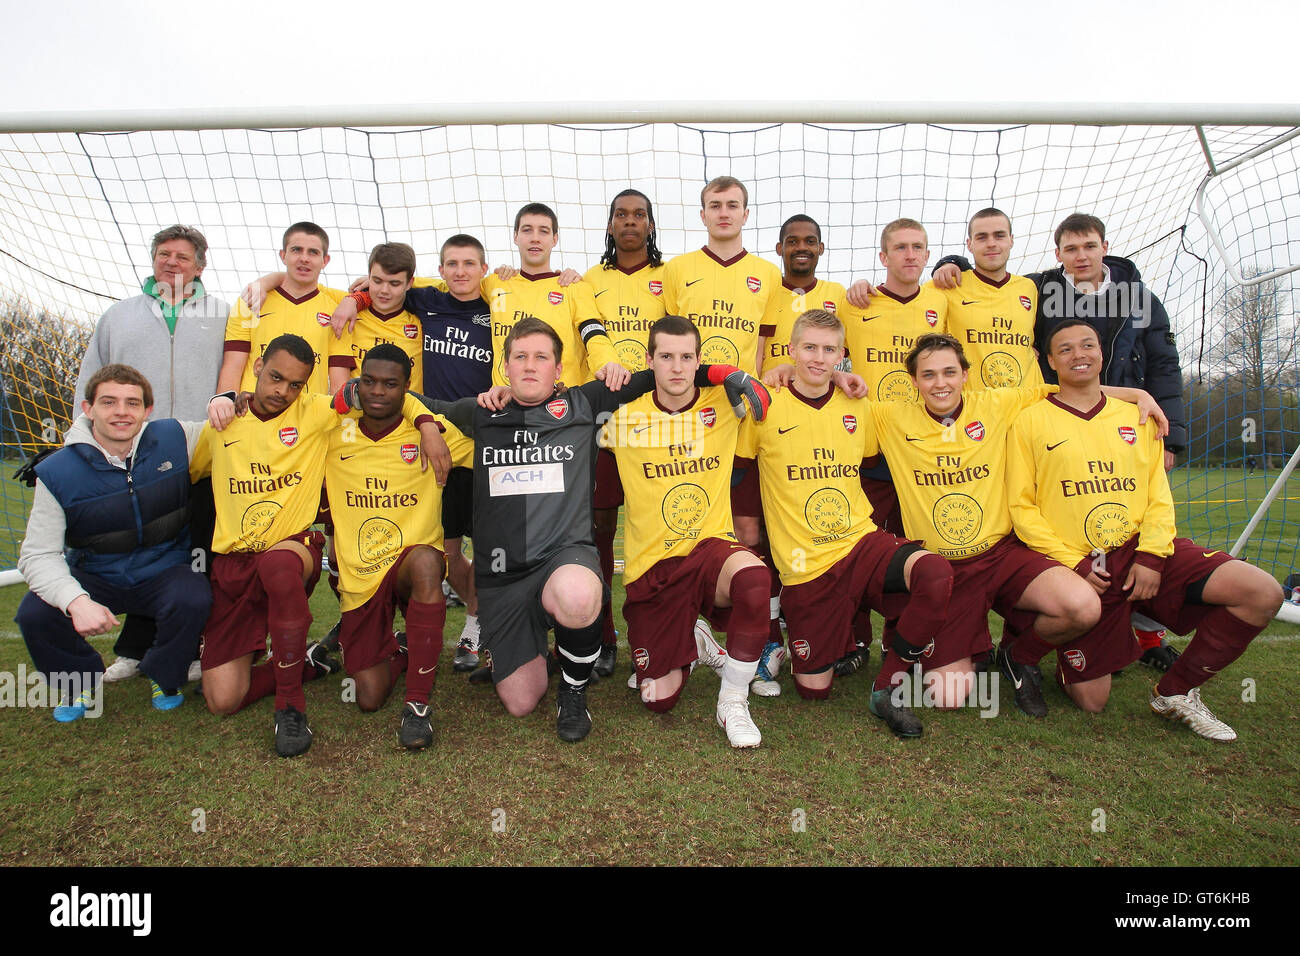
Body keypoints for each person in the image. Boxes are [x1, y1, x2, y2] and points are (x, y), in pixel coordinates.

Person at [420, 317, 767, 743]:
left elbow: (665, 372)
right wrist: (421, 421)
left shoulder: (585, 405)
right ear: (504, 368)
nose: (530, 366)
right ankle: (531, 648)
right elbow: (419, 398)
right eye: (520, 357)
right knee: (521, 701)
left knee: (580, 596)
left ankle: (574, 689)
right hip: (503, 575)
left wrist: (726, 372)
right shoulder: (480, 415)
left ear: (559, 369)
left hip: (565, 561)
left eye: (541, 357)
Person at [1006, 320, 1282, 739]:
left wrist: (1152, 556)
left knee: (1263, 593)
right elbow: (1021, 507)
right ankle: (1051, 642)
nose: (1078, 354)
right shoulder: (1028, 421)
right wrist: (1074, 564)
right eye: (1065, 349)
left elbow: (1158, 494)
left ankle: (1176, 691)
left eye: (1087, 345)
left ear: (1102, 354)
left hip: (1143, 549)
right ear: (1049, 361)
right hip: (1085, 564)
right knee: (1092, 702)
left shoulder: (1138, 416)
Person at [194, 333, 444, 757]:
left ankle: (290, 709)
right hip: (234, 563)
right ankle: (309, 664)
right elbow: (188, 474)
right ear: (256, 368)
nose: (282, 391)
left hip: (292, 549)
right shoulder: (222, 425)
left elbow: (379, 391)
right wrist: (223, 397)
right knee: (222, 700)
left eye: (295, 384)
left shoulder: (316, 414)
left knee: (278, 565)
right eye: (275, 378)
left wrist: (426, 423)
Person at [741, 312, 957, 736]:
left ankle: (887, 686)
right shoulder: (764, 406)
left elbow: (876, 472)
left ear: (842, 356)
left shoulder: (860, 407)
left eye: (828, 350)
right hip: (806, 567)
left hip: (859, 544)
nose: (818, 358)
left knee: (934, 572)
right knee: (814, 690)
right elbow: (743, 476)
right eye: (809, 348)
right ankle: (821, 635)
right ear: (791, 350)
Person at [605, 315, 774, 746]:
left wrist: (727, 374)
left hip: (708, 552)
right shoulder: (621, 419)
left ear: (699, 361)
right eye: (666, 357)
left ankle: (733, 701)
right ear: (649, 360)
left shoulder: (723, 405)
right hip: (651, 568)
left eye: (686, 358)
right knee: (656, 698)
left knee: (754, 577)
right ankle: (695, 641)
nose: (677, 368)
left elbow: (764, 400)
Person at [330, 234, 493, 671]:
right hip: (431, 432)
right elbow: (382, 288)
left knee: (498, 543)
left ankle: (492, 623)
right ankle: (455, 624)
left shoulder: (497, 302)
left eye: (469, 263)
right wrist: (354, 296)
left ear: (484, 268)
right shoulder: (424, 300)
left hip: (481, 430)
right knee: (447, 547)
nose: (460, 271)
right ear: (438, 271)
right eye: (451, 264)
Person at [75, 224, 228, 684]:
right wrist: (80, 439)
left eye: (182, 256)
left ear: (200, 265)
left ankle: (200, 646)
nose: (171, 262)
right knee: (145, 549)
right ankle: (135, 650)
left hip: (202, 452)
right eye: (164, 254)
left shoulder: (226, 315)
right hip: (132, 455)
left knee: (200, 550)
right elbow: (90, 382)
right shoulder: (119, 316)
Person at [15, 365, 212, 720]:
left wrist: (229, 401)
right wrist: (75, 601)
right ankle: (79, 681)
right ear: (88, 408)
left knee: (194, 595)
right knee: (34, 613)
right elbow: (38, 555)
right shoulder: (57, 471)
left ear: (148, 411)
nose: (121, 411)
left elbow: (241, 427)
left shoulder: (176, 437)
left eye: (132, 403)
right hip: (96, 572)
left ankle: (164, 674)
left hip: (164, 569)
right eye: (109, 402)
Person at [325, 344, 464, 750]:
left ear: (407, 387)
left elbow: (489, 446)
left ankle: (418, 705)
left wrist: (426, 422)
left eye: (390, 384)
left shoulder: (436, 433)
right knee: (367, 697)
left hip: (408, 566)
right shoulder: (334, 429)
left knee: (424, 562)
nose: (378, 392)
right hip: (361, 577)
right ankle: (403, 647)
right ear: (358, 382)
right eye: (369, 381)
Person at [584, 189, 668, 678]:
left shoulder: (670, 278)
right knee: (597, 532)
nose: (630, 222)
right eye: (622, 214)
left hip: (655, 422)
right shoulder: (587, 280)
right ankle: (601, 636)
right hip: (599, 422)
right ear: (610, 224)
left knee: (654, 530)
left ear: (651, 225)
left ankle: (658, 635)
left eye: (640, 215)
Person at [663, 176, 782, 377]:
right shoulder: (677, 268)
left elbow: (760, 348)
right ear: (703, 215)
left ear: (745, 215)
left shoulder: (769, 273)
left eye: (732, 206)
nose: (724, 213)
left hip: (741, 396)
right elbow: (670, 338)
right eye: (715, 206)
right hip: (690, 395)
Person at [218, 221, 345, 396]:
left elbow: (339, 381)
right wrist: (224, 402)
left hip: (306, 417)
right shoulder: (250, 300)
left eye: (313, 252)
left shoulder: (337, 311)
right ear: (283, 255)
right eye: (296, 250)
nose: (304, 258)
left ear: (325, 261)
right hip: (251, 414)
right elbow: (233, 365)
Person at [927, 207, 1042, 390]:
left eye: (999, 235)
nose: (991, 243)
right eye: (982, 237)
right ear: (969, 244)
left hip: (1027, 406)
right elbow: (901, 300)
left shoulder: (1029, 287)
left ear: (1011, 240)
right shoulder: (947, 286)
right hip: (974, 408)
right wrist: (864, 288)